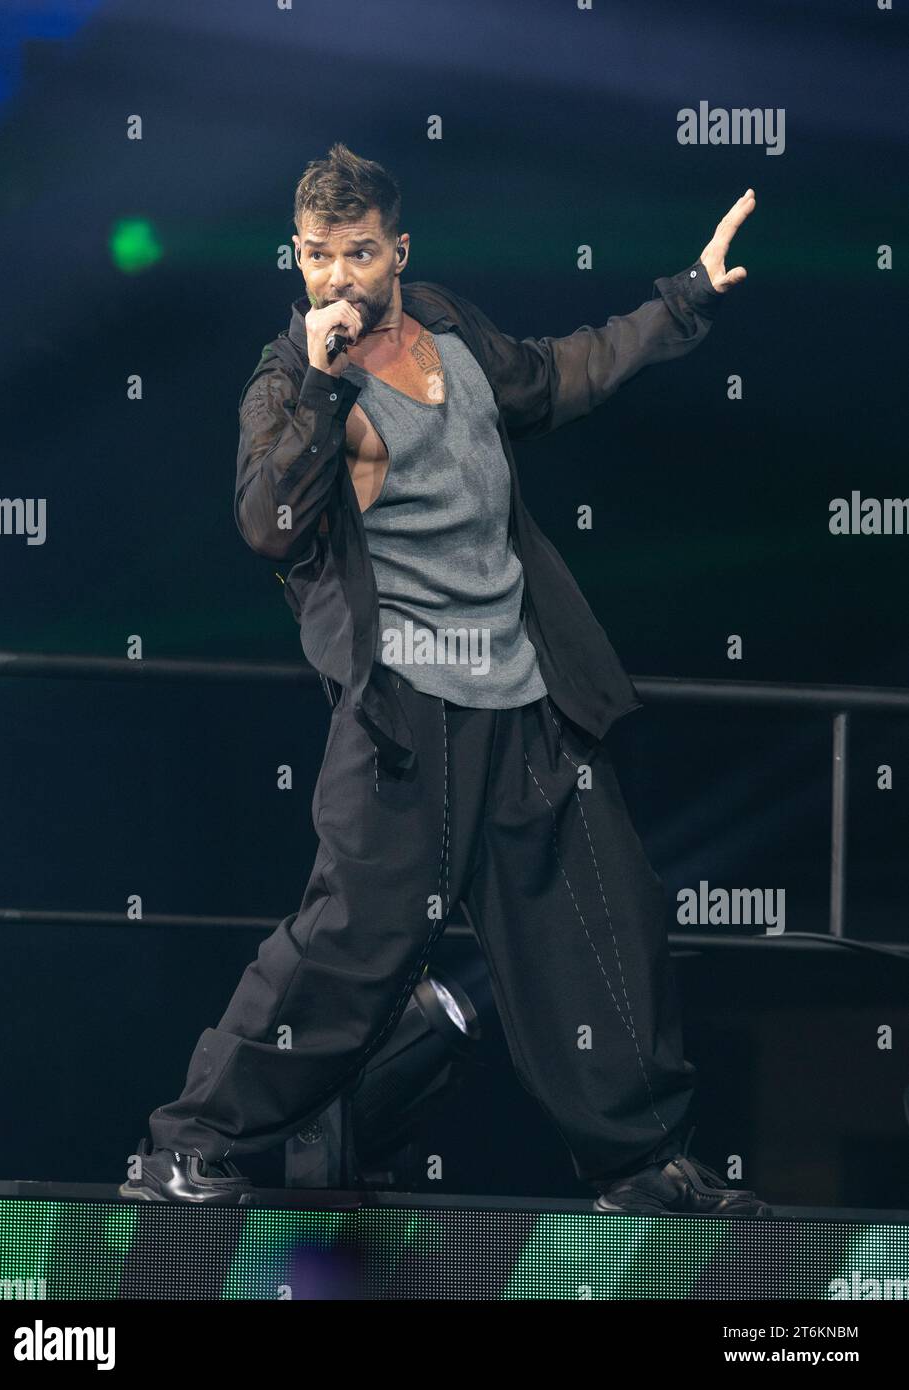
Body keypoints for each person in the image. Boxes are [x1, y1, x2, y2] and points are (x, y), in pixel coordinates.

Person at [119, 143, 770, 1216]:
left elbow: (566, 370)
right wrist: (327, 388)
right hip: (403, 719)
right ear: (297, 255)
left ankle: (640, 1162)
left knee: (606, 924)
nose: (339, 276)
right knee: (347, 946)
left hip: (525, 699)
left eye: (360, 252)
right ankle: (185, 1144)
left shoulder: (452, 328)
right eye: (319, 256)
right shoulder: (287, 380)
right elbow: (270, 524)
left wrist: (685, 297)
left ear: (397, 250)